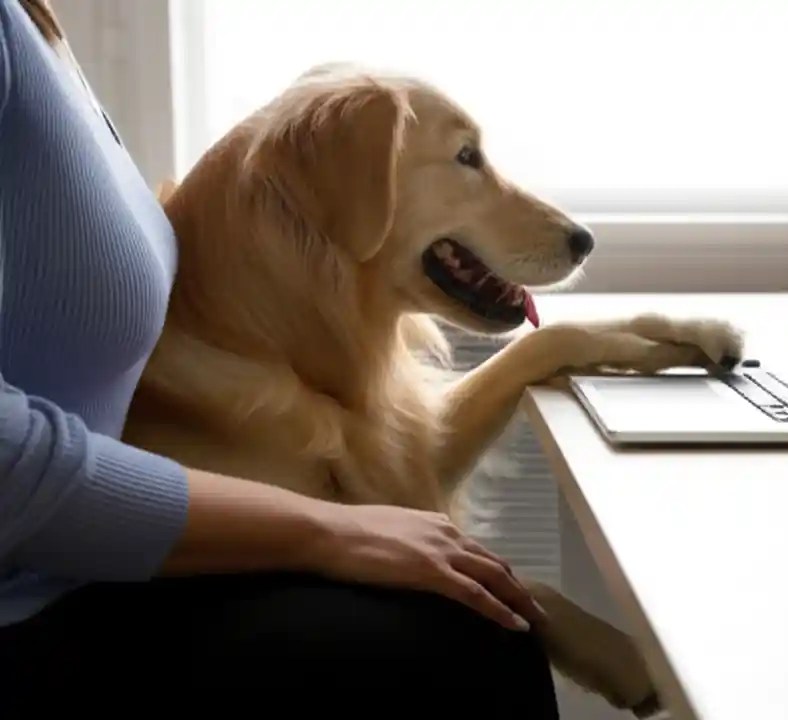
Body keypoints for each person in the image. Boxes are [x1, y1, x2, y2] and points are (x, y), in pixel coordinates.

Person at [0, 0, 558, 711]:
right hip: (29, 608)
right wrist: (327, 533)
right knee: (474, 645)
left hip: (77, 571)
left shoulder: (32, 22)